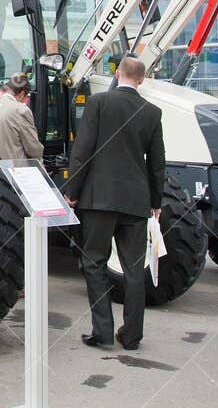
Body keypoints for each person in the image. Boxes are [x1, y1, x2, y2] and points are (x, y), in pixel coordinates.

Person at [63, 55, 165, 352]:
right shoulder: (152, 112)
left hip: (98, 198)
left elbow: (82, 151)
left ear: (117, 73)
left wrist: (73, 190)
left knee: (94, 262)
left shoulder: (98, 103)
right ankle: (132, 335)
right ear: (142, 79)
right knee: (134, 269)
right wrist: (155, 202)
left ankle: (103, 332)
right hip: (136, 201)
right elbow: (157, 163)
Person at [0, 74, 43, 163]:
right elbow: (33, 148)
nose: (25, 101)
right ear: (22, 94)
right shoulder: (20, 110)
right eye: (26, 97)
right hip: (11, 170)